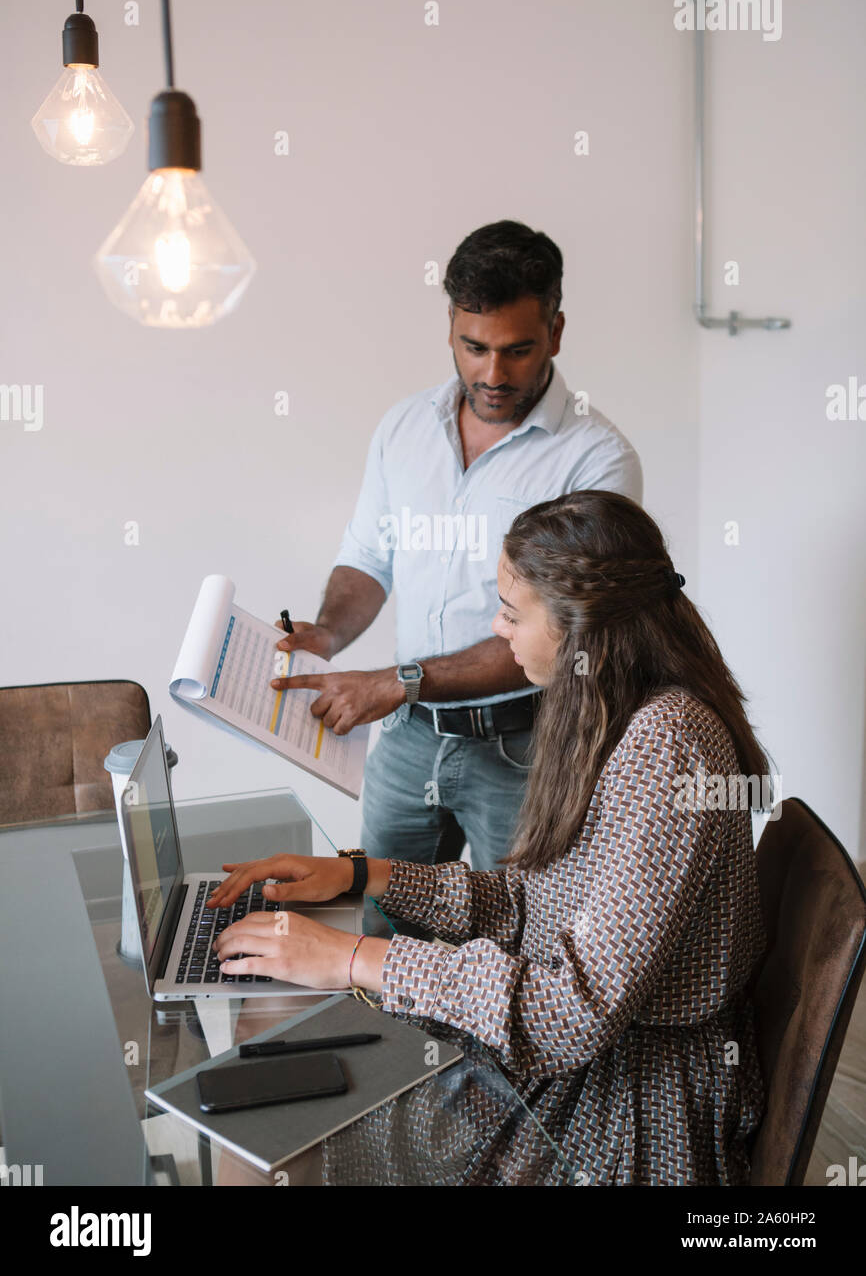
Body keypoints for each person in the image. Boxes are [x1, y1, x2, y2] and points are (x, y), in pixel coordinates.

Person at [208, 490, 769, 1185]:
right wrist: (360, 875)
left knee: (275, 1112)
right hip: (580, 1064)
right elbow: (528, 901)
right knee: (271, 1028)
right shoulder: (603, 710)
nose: (498, 632)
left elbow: (572, 1013)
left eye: (510, 613)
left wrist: (355, 958)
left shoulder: (668, 745)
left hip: (617, 1103)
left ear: (582, 627)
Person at [269, 221, 642, 900]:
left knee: (519, 935)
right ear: (450, 327)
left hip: (528, 746)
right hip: (406, 741)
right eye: (474, 347)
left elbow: (561, 634)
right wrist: (327, 633)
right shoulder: (403, 428)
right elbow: (368, 557)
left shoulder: (597, 460)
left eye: (518, 350)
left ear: (556, 333)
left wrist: (400, 679)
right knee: (384, 926)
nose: (493, 373)